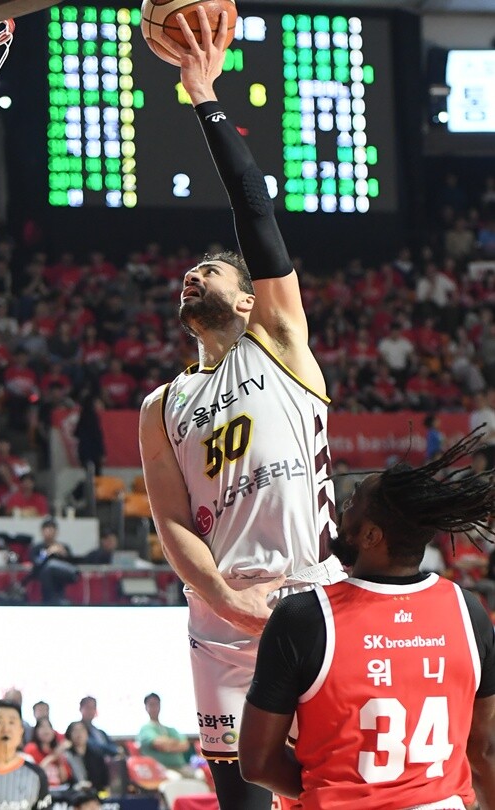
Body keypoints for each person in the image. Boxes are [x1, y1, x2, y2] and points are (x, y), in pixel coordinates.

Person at [139, 11, 344, 809]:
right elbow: (171, 523)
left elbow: (254, 216)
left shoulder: (281, 345)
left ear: (253, 298)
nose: (193, 277)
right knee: (247, 802)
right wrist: (226, 599)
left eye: (211, 272)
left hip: (312, 596)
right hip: (222, 624)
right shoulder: (164, 402)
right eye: (187, 274)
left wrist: (204, 96)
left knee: (333, 791)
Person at [239, 431, 495, 809]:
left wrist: (332, 787)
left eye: (353, 503)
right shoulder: (468, 609)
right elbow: (485, 750)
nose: (342, 509)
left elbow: (258, 763)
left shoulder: (303, 617)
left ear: (371, 536)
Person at [138, 693, 196, 778]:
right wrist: (174, 743)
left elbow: (185, 745)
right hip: (160, 770)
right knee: (176, 780)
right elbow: (158, 744)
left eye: (157, 704)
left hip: (181, 767)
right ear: (146, 707)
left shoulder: (170, 729)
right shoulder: (145, 729)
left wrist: (167, 746)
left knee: (200, 776)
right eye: (151, 704)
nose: (154, 707)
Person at [29, 518, 79, 605]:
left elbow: (72, 566)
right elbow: (36, 563)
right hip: (43, 581)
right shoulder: (36, 548)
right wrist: (48, 552)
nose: (49, 532)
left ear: (56, 532)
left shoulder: (64, 547)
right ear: (42, 531)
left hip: (61, 581)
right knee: (49, 568)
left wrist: (64, 554)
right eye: (47, 529)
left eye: (52, 529)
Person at [24, 718, 72, 791]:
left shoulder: (57, 751)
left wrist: (59, 761)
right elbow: (35, 774)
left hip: (58, 792)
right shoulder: (31, 748)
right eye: (42, 727)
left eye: (49, 727)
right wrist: (52, 757)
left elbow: (63, 779)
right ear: (36, 731)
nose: (46, 730)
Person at [63, 721, 109, 793]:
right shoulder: (65, 756)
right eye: (75, 731)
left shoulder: (96, 755)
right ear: (69, 735)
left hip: (95, 794)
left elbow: (104, 780)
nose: (79, 734)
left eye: (82, 730)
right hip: (72, 795)